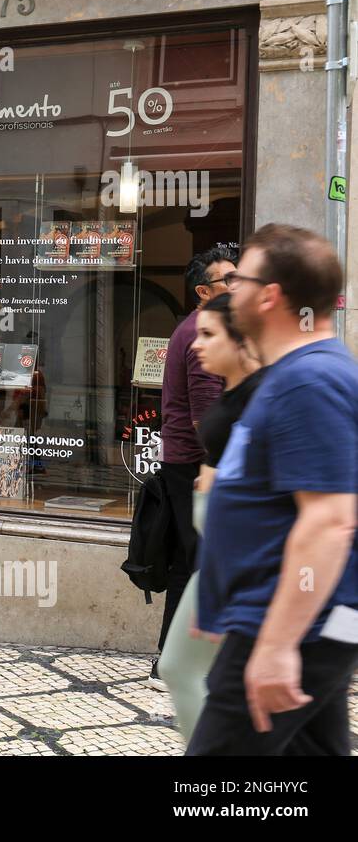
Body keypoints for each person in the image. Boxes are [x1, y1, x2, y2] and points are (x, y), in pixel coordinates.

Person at [188, 223, 358, 755]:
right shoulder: (290, 377)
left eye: (239, 279)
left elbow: (329, 521)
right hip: (288, 618)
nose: (228, 288)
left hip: (293, 624)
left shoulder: (310, 381)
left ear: (270, 296)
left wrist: (280, 643)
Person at [157, 293, 263, 739]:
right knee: (181, 668)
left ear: (242, 341)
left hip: (245, 566)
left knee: (190, 670)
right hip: (221, 560)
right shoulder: (230, 399)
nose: (194, 343)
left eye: (208, 334)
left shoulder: (263, 399)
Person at [150, 246, 237, 688]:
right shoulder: (200, 335)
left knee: (191, 563)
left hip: (188, 462)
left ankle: (170, 660)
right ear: (204, 291)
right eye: (229, 281)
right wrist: (220, 469)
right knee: (200, 563)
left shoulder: (204, 329)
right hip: (194, 463)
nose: (238, 288)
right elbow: (207, 419)